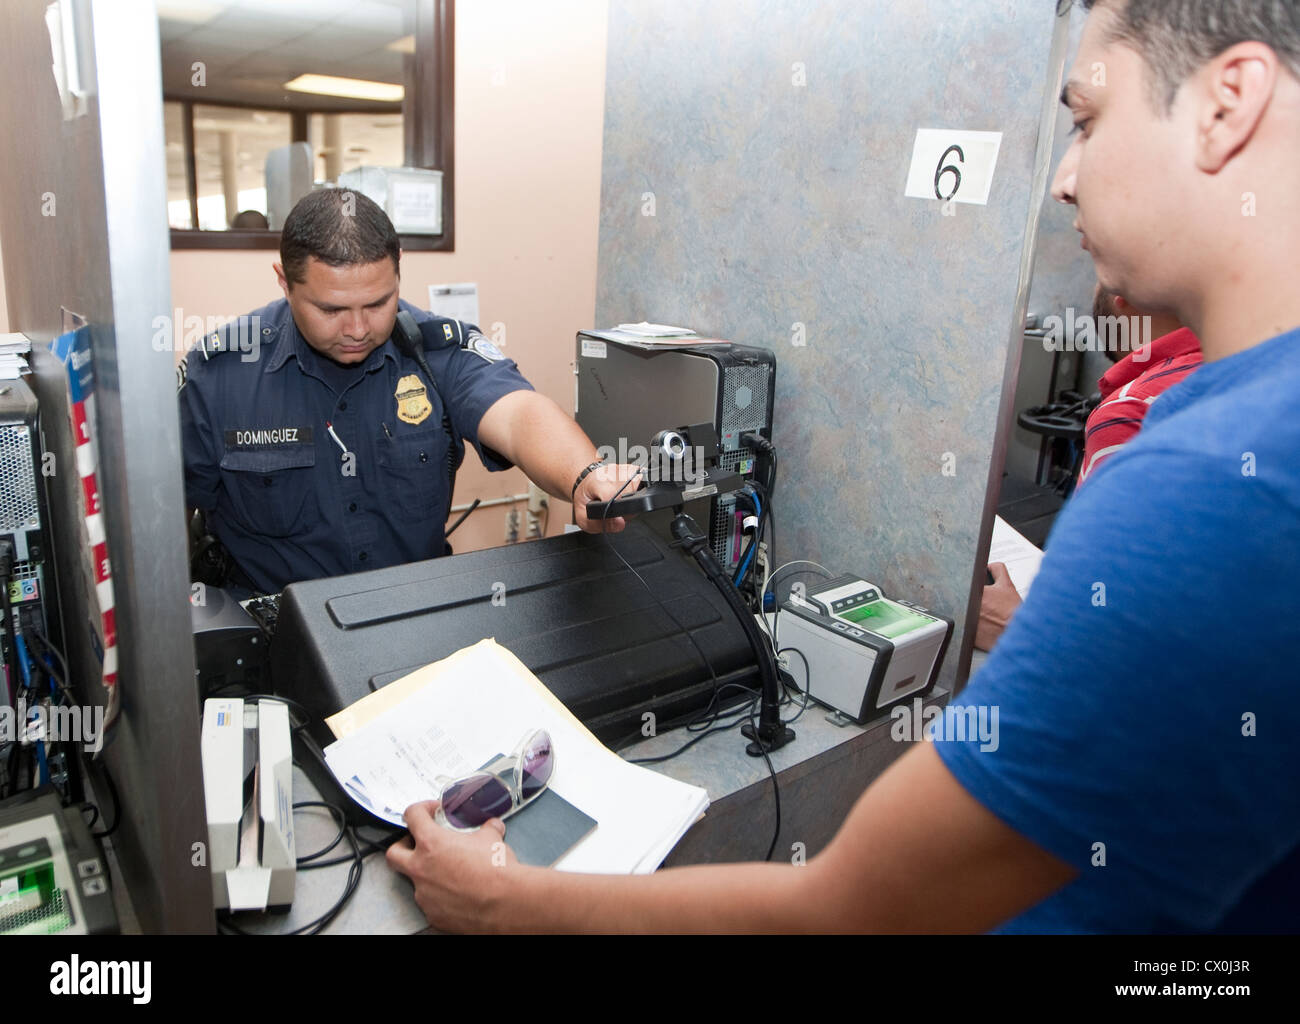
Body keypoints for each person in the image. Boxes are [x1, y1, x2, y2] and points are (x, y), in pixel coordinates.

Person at [386, 0, 1300, 933]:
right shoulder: (1220, 430)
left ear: (1229, 102)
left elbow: (855, 908)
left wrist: (509, 902)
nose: (1063, 176)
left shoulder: (1207, 488)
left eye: (1085, 122)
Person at [178, 189, 640, 593]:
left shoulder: (435, 349)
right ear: (285, 281)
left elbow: (519, 415)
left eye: (379, 302)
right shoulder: (221, 373)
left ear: (399, 271)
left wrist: (585, 475)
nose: (358, 328)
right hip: (275, 639)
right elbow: (166, 510)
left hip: (412, 620)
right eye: (332, 309)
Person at [976, 286, 1203, 650]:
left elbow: (1110, 633)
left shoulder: (1132, 411)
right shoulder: (1259, 373)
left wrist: (1019, 629)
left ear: (1126, 290)